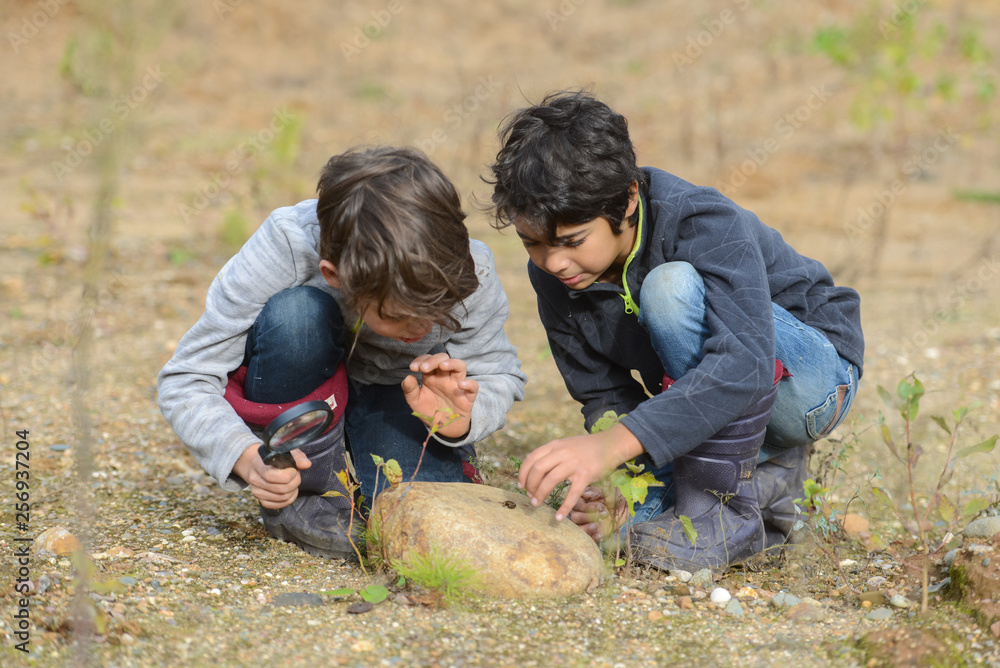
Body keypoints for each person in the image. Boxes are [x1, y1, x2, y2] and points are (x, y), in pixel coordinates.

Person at [485, 90, 863, 571]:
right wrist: (621, 478)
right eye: (532, 243)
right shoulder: (556, 275)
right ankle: (767, 482)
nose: (553, 261)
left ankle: (724, 506)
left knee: (670, 287)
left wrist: (612, 445)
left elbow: (745, 363)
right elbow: (602, 393)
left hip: (813, 381)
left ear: (627, 200)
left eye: (572, 241)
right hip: (721, 405)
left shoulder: (701, 221)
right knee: (612, 525)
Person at [159, 146, 526, 560]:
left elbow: (499, 373)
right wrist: (247, 459)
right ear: (335, 275)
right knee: (296, 316)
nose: (423, 328)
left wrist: (460, 420)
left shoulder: (469, 269)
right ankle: (305, 487)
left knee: (420, 527)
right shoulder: (286, 244)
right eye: (401, 316)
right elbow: (187, 378)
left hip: (397, 393)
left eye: (437, 311)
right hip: (302, 389)